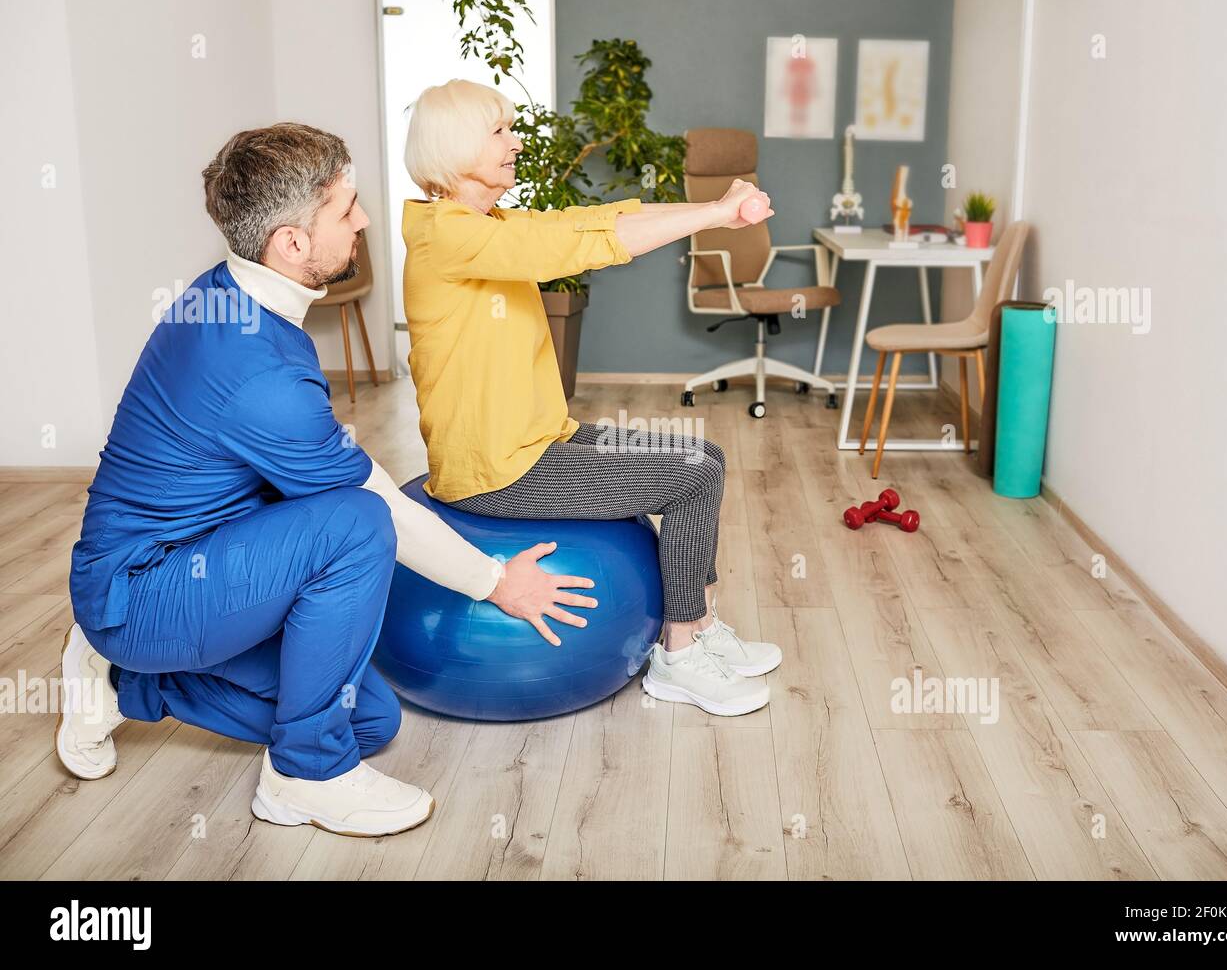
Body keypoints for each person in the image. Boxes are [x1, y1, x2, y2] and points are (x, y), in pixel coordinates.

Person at [59, 122, 595, 837]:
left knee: (370, 718)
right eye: (346, 209)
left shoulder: (231, 292)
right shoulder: (257, 369)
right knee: (357, 521)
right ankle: (303, 777)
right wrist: (499, 582)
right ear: (291, 243)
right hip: (143, 587)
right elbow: (373, 503)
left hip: (187, 564)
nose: (366, 220)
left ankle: (127, 678)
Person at [400, 79, 783, 717]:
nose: (515, 142)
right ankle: (681, 657)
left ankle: (702, 623)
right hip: (496, 472)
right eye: (499, 131)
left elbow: (591, 221)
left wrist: (715, 204)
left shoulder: (482, 224)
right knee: (688, 478)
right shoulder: (446, 236)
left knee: (704, 460)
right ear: (455, 146)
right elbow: (570, 247)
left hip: (543, 439)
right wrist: (714, 218)